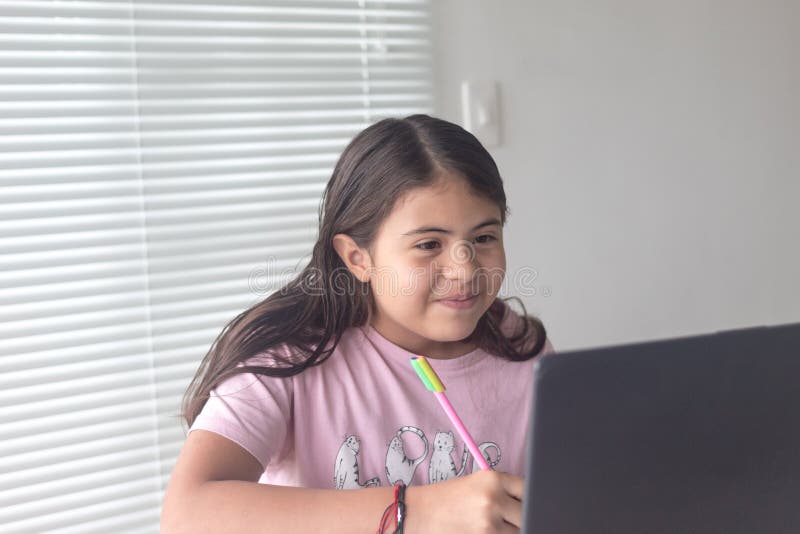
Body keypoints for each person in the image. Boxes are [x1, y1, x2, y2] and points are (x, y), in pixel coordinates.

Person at [160, 114, 555, 533]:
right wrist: (417, 511)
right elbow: (186, 515)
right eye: (428, 244)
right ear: (357, 258)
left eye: (483, 238)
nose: (464, 269)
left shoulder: (524, 351)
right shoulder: (290, 360)